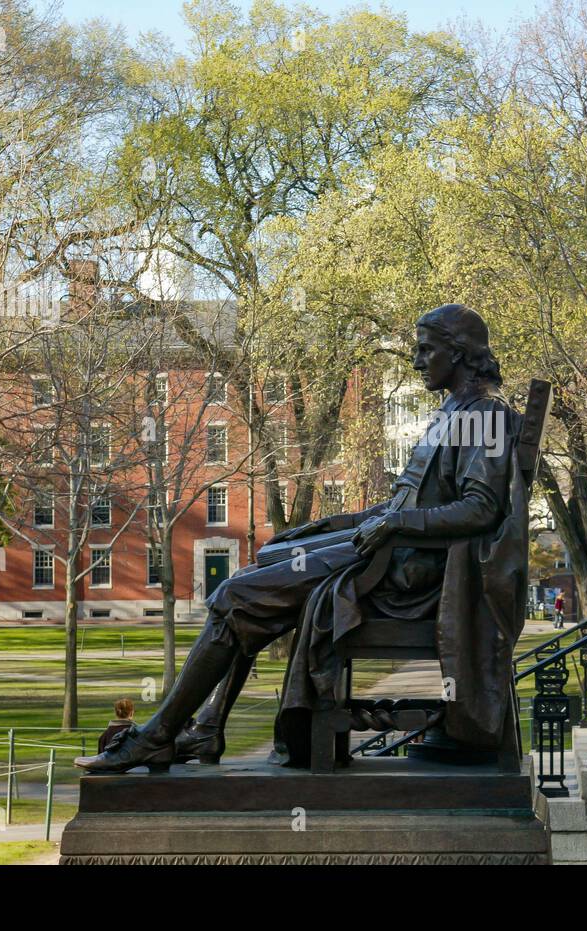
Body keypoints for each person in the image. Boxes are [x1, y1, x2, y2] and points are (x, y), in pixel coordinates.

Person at [74, 304, 529, 773]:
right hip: (391, 552)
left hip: (410, 572)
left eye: (425, 350)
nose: (416, 361)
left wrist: (392, 526)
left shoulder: (486, 415)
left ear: (458, 353)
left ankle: (159, 736)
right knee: (268, 559)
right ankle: (206, 726)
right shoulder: (453, 412)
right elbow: (403, 504)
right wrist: (328, 525)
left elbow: (482, 509)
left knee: (234, 595)